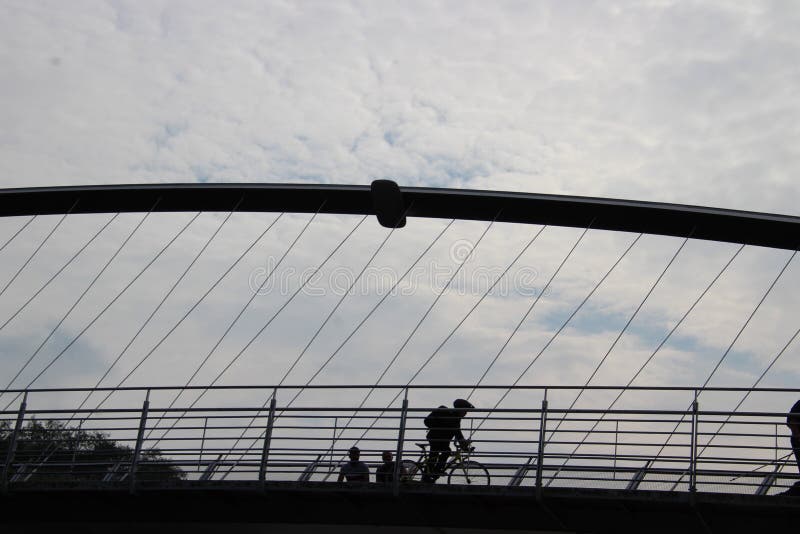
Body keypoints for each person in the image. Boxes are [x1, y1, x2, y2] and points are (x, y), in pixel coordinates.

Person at [422, 398, 473, 482]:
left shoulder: (454, 417)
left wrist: (464, 445)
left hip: (439, 440)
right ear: (460, 410)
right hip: (436, 439)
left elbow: (457, 433)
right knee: (441, 454)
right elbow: (458, 433)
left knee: (437, 455)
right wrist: (464, 446)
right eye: (465, 411)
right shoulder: (453, 418)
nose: (466, 413)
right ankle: (430, 476)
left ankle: (430, 477)